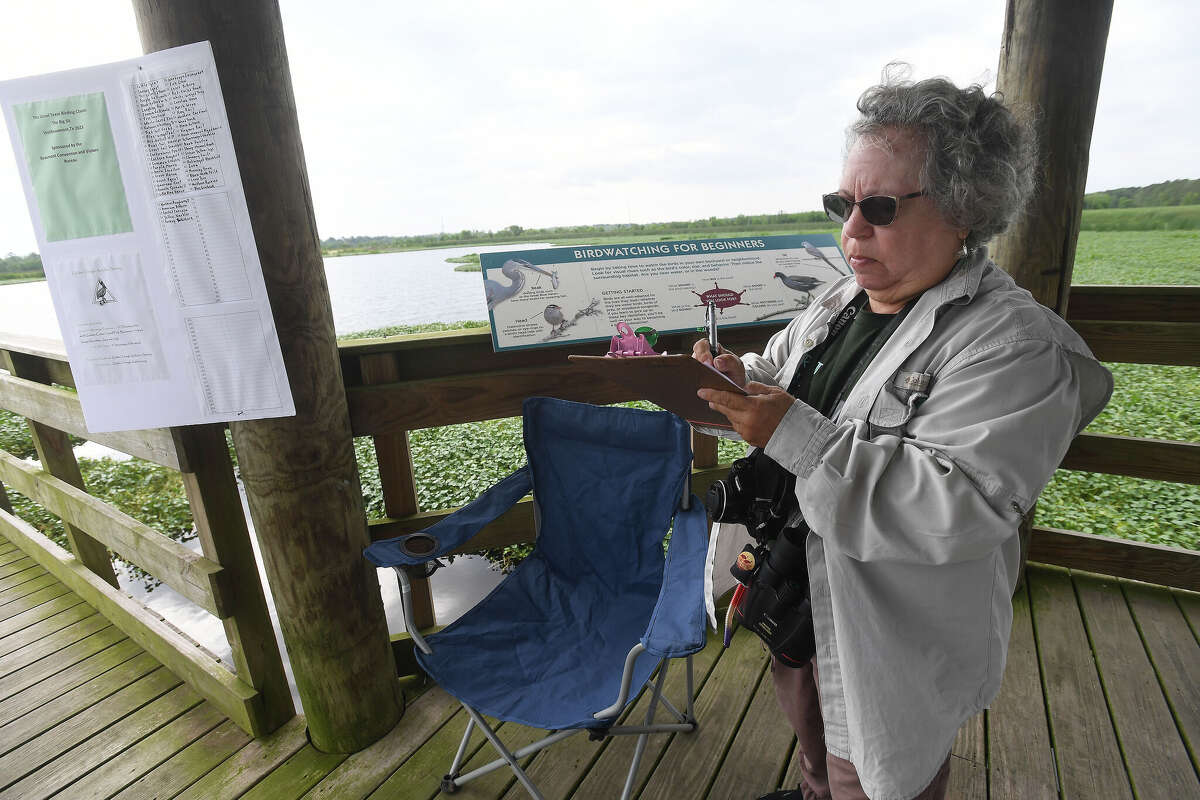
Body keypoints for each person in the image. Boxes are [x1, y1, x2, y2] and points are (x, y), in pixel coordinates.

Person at [692, 68, 1113, 800]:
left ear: (963, 208)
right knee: (813, 737)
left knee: (881, 769)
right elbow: (781, 371)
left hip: (890, 629)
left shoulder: (1014, 346)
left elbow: (963, 507)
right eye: (841, 204)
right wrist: (729, 379)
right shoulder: (846, 297)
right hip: (796, 582)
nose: (851, 231)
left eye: (879, 206)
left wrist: (788, 430)